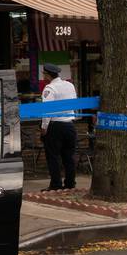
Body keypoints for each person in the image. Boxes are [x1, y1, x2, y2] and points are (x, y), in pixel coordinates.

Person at [40, 63, 78, 191]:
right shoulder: (69, 85)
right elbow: (74, 103)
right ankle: (70, 183)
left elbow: (47, 110)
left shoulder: (49, 88)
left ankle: (56, 184)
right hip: (70, 125)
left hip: (55, 126)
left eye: (44, 74)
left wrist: (44, 127)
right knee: (69, 156)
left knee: (53, 156)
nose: (43, 76)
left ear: (47, 75)